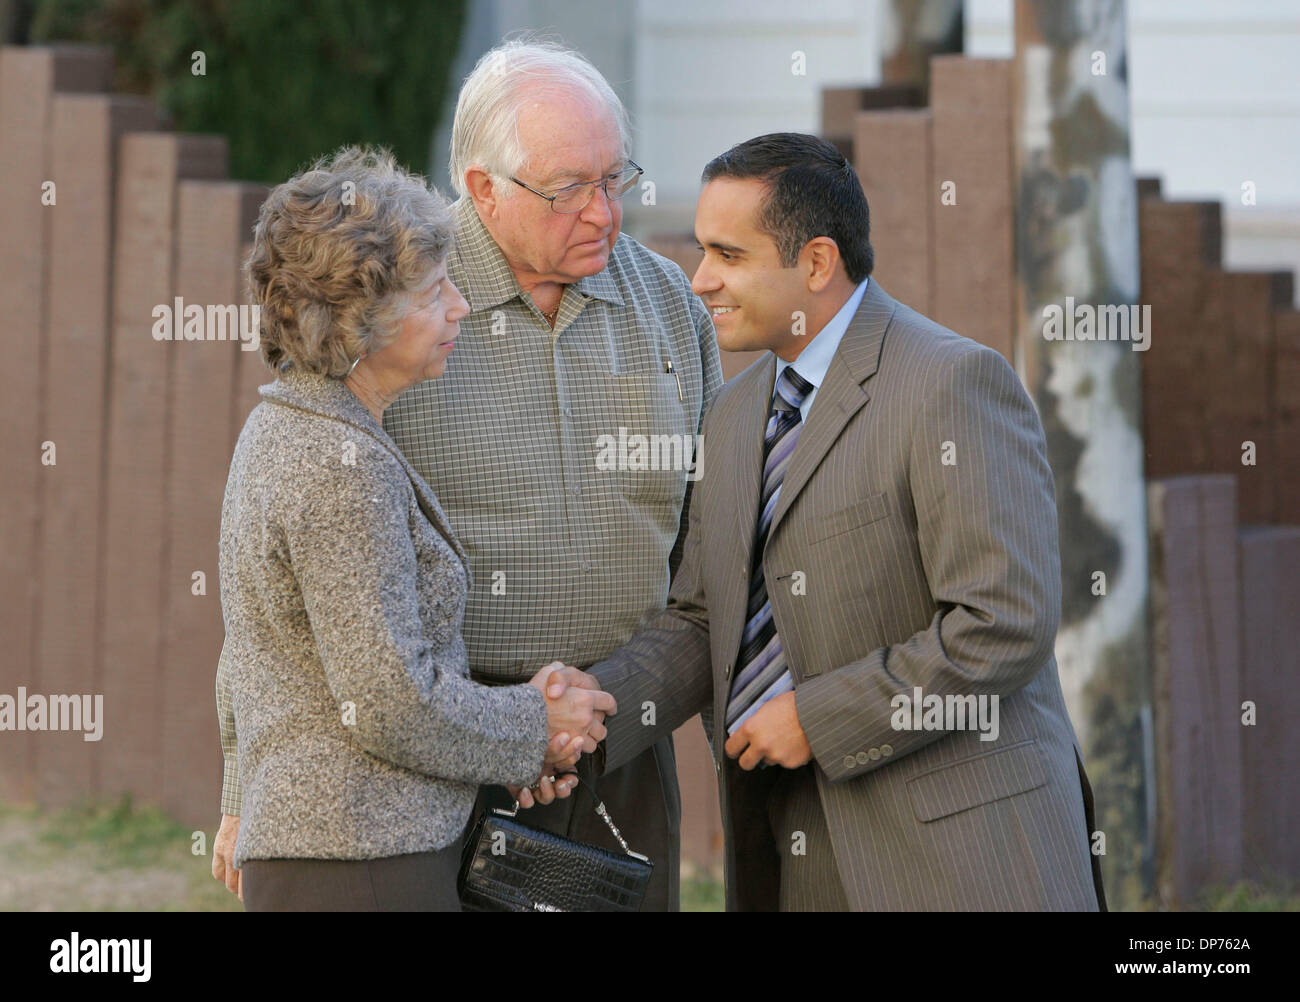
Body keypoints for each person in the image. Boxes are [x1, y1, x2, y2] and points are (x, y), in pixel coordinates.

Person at [579, 133, 1108, 911]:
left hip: (963, 860)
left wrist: (818, 719)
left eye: (728, 255)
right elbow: (701, 622)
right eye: (702, 252)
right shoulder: (729, 417)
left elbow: (1004, 623)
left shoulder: (953, 384)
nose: (700, 281)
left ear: (817, 263)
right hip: (797, 858)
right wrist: (580, 719)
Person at [212, 146, 614, 911]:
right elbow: (389, 703)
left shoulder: (284, 425)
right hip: (361, 859)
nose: (460, 306)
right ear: (362, 322)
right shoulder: (340, 463)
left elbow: (250, 657)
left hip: (341, 851)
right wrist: (537, 720)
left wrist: (514, 748)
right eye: (435, 292)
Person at [375, 39, 724, 911]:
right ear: (481, 187)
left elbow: (716, 552)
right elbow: (303, 551)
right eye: (569, 188)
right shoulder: (398, 308)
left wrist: (599, 716)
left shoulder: (671, 307)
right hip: (440, 761)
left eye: (617, 180)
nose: (604, 213)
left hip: (624, 747)